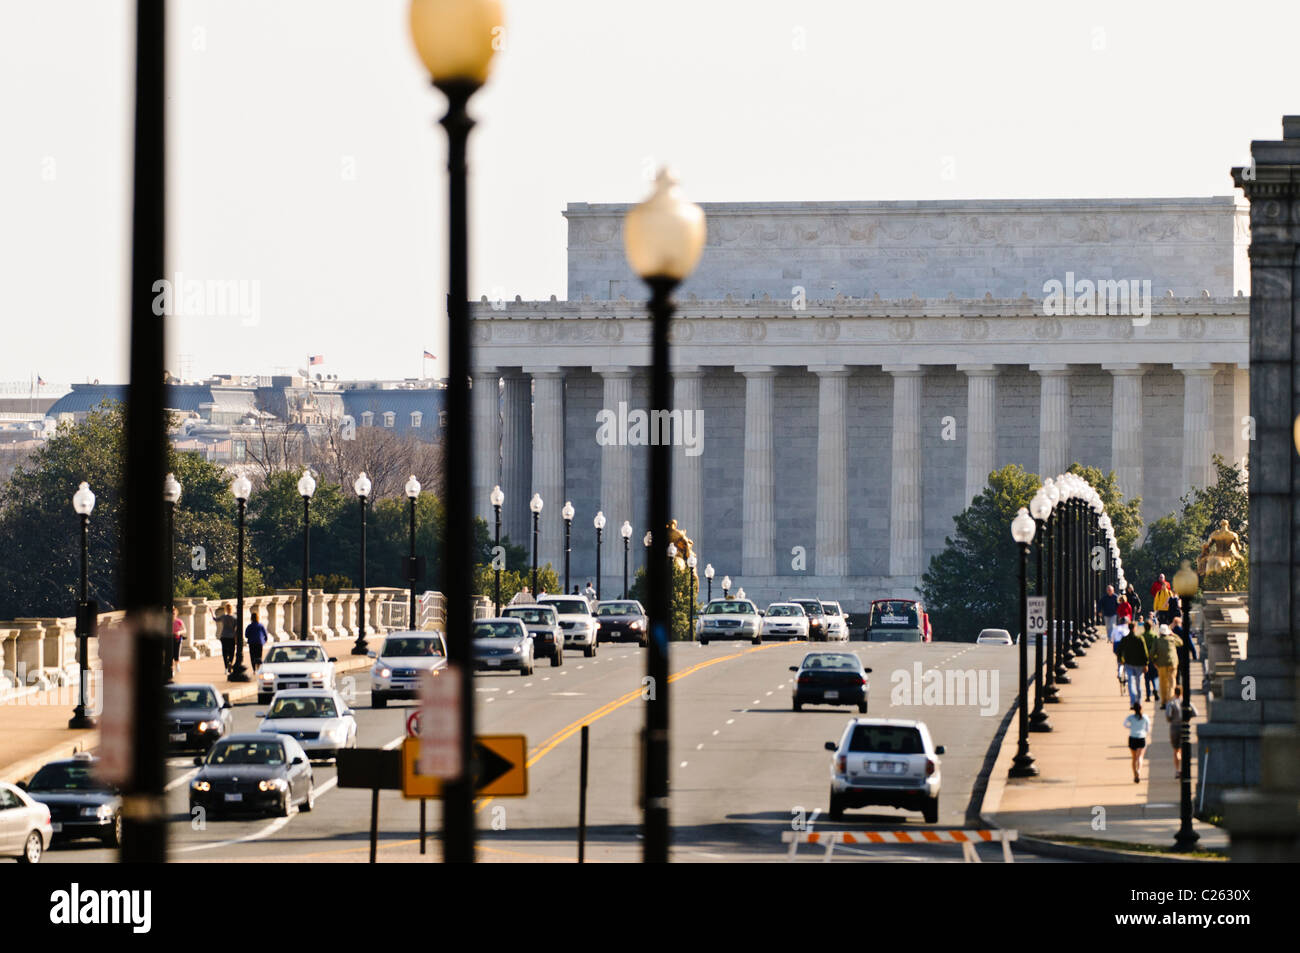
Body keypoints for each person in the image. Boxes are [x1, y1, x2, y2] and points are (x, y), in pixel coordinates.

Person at [1118, 623, 1149, 707]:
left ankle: (1132, 702)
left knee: (1131, 683)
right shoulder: (1140, 638)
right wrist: (1146, 664)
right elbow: (1145, 652)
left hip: (1128, 663)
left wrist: (1120, 659)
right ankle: (1139, 702)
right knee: (1139, 683)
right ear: (1135, 628)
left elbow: (1119, 650)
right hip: (1139, 664)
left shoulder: (1125, 639)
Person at [1153, 623, 1181, 705]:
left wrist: (1155, 661)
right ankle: (1170, 699)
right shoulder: (1172, 639)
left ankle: (1164, 701)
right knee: (1172, 682)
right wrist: (1173, 634)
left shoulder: (1157, 641)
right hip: (1172, 663)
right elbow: (1181, 642)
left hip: (1161, 664)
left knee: (1163, 683)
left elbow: (1151, 653)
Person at [1125, 703, 1152, 783]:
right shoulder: (1145, 717)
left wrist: (1131, 727)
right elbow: (1148, 727)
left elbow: (1125, 724)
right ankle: (1139, 771)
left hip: (1132, 737)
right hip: (1141, 737)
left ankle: (1134, 774)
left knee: (1134, 758)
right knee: (1140, 756)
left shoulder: (1131, 717)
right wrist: (1145, 732)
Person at [212, 602, 239, 674]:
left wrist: (211, 612)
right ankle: (230, 662)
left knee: (224, 652)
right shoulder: (235, 618)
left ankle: (226, 668)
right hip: (231, 636)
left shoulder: (223, 617)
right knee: (231, 652)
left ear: (226, 609)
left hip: (224, 636)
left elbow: (215, 619)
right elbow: (237, 628)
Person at [1166, 686, 1185, 779]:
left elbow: (1168, 715)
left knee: (1176, 750)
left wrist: (1171, 720)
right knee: (1183, 749)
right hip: (1183, 726)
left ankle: (1177, 770)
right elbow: (1195, 712)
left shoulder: (1171, 703)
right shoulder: (1185, 702)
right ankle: (1183, 767)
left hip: (1174, 727)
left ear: (1175, 693)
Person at [1140, 620, 1159, 703]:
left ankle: (1148, 695)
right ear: (1151, 627)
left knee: (1147, 678)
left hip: (1145, 659)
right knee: (1155, 676)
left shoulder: (1142, 636)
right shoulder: (1154, 635)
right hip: (1154, 659)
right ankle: (1155, 689)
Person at [171, 607, 186, 675]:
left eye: (174, 613)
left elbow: (185, 630)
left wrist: (179, 632)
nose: (172, 615)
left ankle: (177, 664)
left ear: (176, 614)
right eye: (171, 613)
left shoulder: (179, 621)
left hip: (177, 639)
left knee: (176, 654)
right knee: (170, 655)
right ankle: (172, 669)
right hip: (170, 639)